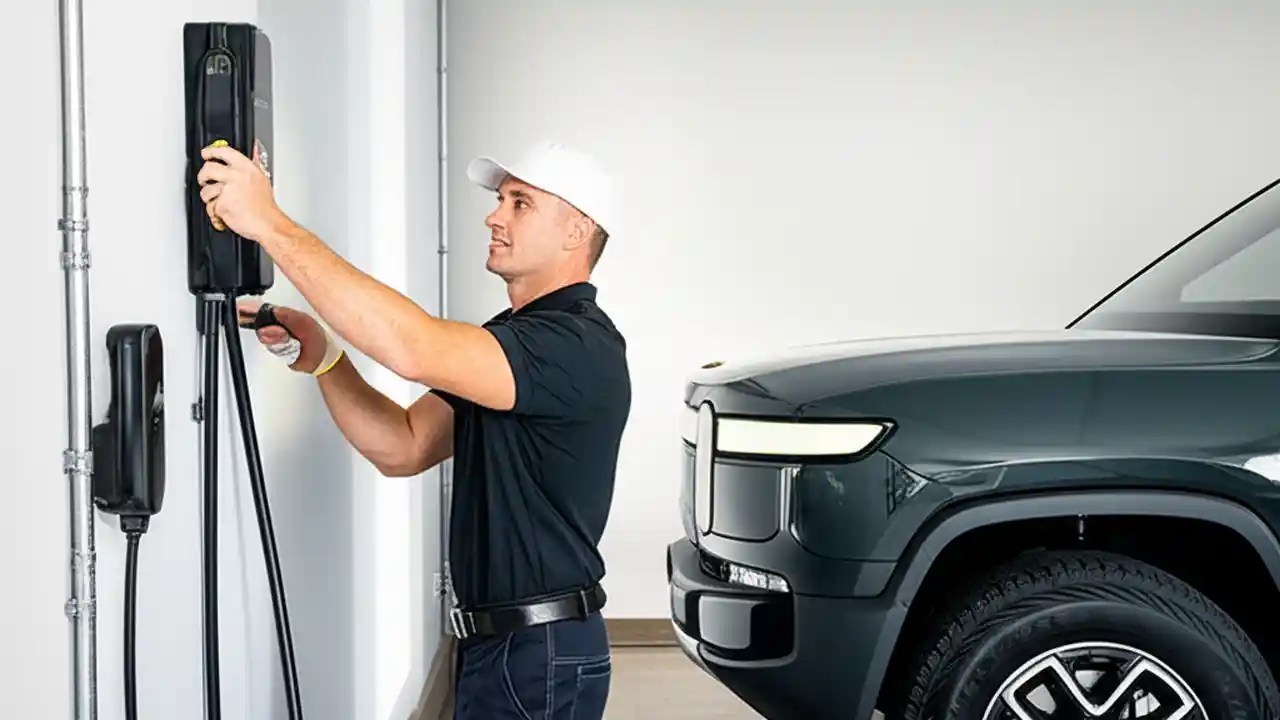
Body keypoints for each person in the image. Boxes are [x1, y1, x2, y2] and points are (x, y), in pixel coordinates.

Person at [197, 139, 631, 719]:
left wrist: (268, 222)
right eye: (500, 199)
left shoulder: (572, 346)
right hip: (500, 648)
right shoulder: (515, 339)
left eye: (520, 203)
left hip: (539, 650)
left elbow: (411, 345)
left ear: (576, 231)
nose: (494, 216)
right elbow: (403, 444)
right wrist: (327, 358)